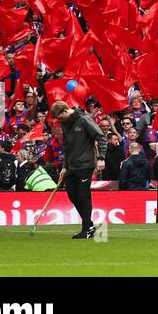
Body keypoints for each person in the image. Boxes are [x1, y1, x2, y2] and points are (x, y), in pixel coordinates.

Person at [51, 100, 108, 239]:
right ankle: (89, 226)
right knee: (72, 195)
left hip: (85, 164)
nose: (59, 121)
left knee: (83, 196)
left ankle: (87, 228)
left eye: (60, 117)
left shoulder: (84, 119)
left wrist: (101, 157)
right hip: (71, 165)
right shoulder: (66, 123)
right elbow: (68, 147)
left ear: (65, 111)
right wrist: (64, 166)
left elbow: (101, 137)